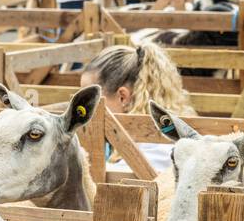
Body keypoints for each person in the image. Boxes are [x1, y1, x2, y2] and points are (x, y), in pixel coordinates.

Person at [79, 41, 194, 172]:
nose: (84, 108)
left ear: (122, 97)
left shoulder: (158, 148)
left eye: (90, 99)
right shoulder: (164, 130)